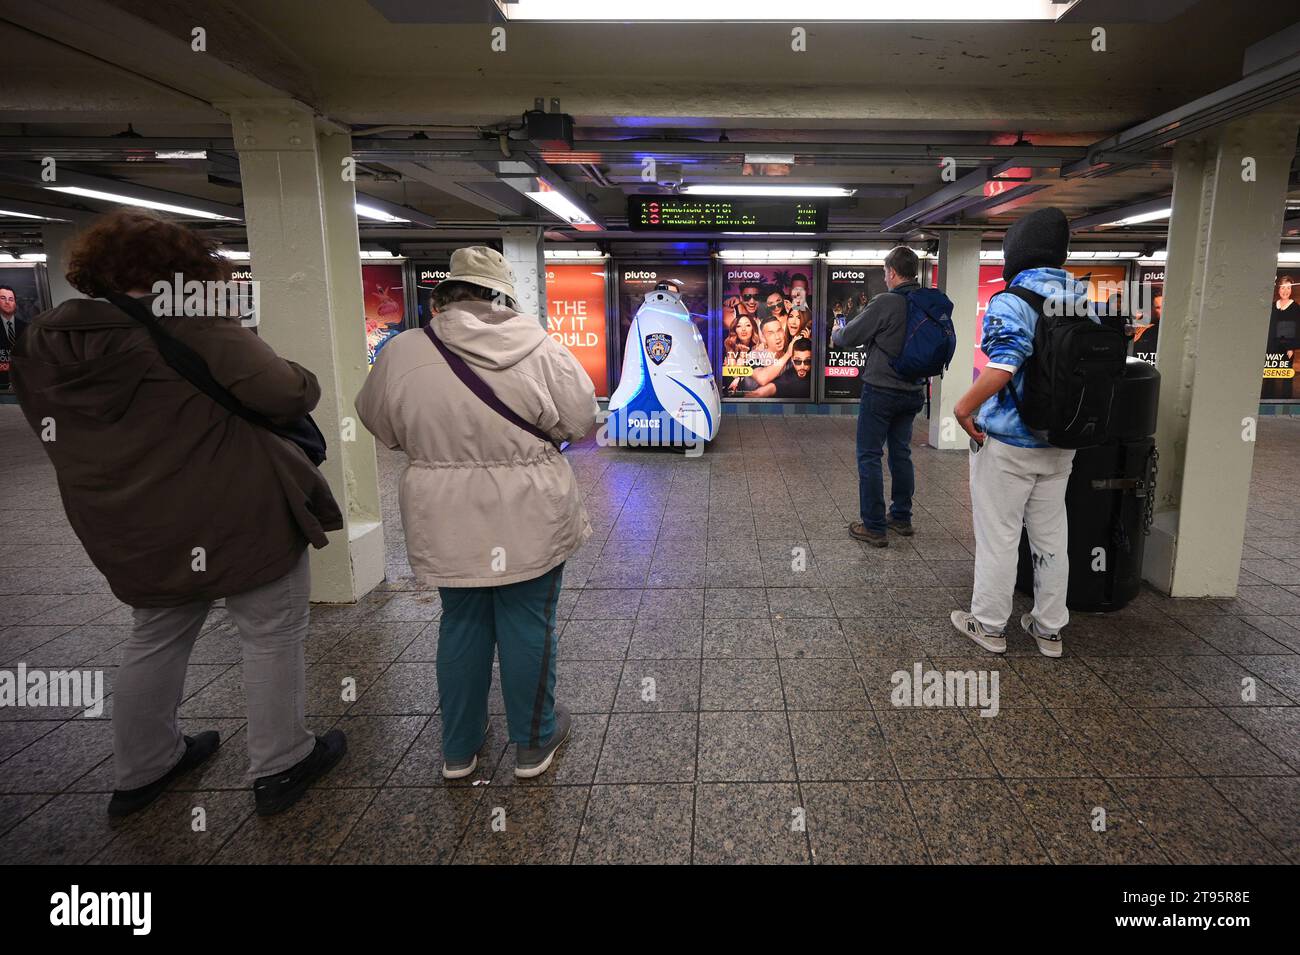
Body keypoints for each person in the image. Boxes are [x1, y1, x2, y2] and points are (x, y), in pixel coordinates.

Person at [10, 211, 345, 817]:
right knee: (270, 632)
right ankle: (281, 761)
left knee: (156, 636)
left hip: (126, 512)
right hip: (230, 505)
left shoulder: (41, 339)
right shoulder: (191, 321)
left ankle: (143, 768)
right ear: (180, 267)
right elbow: (285, 393)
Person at [355, 246, 598, 781]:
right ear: (503, 296)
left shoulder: (403, 352)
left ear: (443, 296)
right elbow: (582, 419)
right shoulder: (540, 347)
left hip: (443, 512)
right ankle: (534, 742)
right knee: (527, 621)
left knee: (461, 622)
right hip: (530, 506)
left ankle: (459, 750)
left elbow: (379, 423)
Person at [950, 206, 1098, 659]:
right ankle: (1050, 629)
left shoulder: (1012, 299)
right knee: (1052, 537)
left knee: (999, 535)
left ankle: (990, 625)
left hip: (1011, 444)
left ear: (1015, 253)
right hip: (1062, 442)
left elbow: (1004, 365)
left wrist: (962, 407)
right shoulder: (1083, 300)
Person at [832, 246, 940, 547]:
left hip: (881, 391)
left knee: (869, 455)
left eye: (885, 272)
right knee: (901, 452)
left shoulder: (886, 302)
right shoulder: (927, 301)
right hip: (914, 391)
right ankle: (902, 517)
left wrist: (836, 331)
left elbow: (849, 337)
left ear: (891, 272)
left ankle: (874, 526)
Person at [0, 284, 28, 392]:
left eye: (11, 299)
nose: (7, 302)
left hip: (24, 384)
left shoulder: (27, 327)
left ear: (15, 303)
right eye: (3, 298)